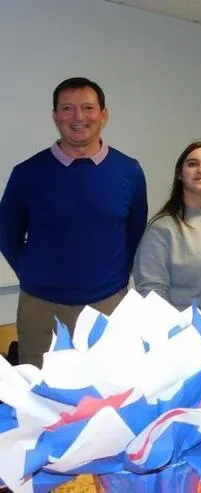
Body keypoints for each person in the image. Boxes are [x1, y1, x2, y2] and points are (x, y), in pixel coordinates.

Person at [0, 77, 147, 367]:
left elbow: (134, 230)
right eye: (67, 109)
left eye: (88, 108)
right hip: (41, 308)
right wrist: (32, 273)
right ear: (55, 117)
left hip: (108, 305)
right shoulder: (28, 173)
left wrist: (113, 277)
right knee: (42, 396)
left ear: (103, 114)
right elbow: (7, 233)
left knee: (108, 392)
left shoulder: (128, 171)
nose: (78, 117)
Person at [134, 141, 201, 315]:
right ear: (180, 174)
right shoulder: (162, 229)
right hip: (183, 333)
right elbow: (152, 294)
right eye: (192, 164)